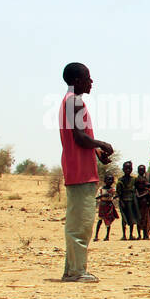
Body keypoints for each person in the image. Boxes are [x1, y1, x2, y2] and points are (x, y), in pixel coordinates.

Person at [58, 63, 113, 281]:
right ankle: (76, 272)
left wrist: (96, 151)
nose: (91, 82)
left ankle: (72, 269)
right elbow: (79, 137)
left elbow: (79, 138)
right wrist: (101, 143)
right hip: (81, 171)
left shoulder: (69, 101)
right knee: (81, 224)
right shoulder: (74, 101)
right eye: (88, 78)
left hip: (77, 168)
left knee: (77, 222)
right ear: (77, 81)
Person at [93, 172, 118, 241]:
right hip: (102, 205)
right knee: (100, 220)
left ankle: (107, 236)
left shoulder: (113, 189)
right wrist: (103, 195)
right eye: (108, 179)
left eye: (111, 180)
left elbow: (116, 196)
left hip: (109, 205)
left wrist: (113, 197)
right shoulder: (101, 189)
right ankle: (96, 236)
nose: (110, 181)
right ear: (105, 181)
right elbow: (96, 197)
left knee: (108, 221)